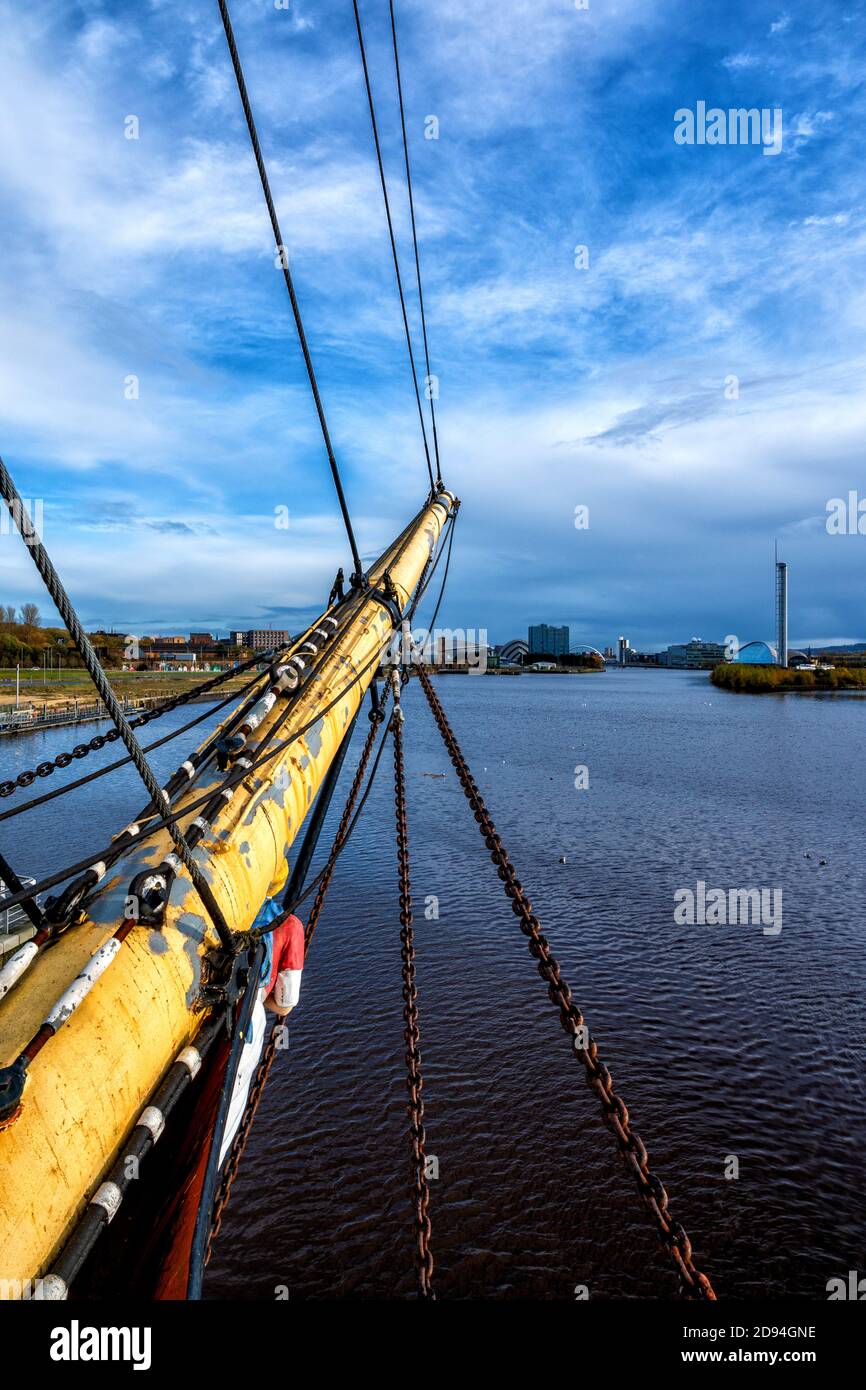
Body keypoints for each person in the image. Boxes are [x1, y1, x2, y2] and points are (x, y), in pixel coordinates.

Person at [217, 878, 305, 1167]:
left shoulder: (222, 900)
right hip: (246, 1021)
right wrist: (260, 994)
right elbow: (284, 1004)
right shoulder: (289, 925)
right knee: (224, 1115)